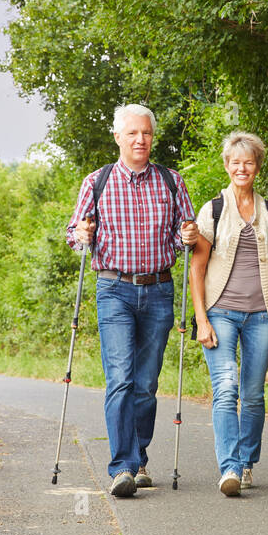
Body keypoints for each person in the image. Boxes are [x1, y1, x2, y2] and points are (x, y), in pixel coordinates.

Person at [66, 104, 198, 498]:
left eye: (146, 134)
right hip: (114, 289)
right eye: (133, 134)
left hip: (158, 289)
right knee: (120, 379)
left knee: (146, 384)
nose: (140, 140)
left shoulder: (171, 182)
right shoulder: (97, 181)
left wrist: (188, 237)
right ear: (118, 137)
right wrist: (83, 234)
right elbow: (75, 235)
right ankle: (122, 466)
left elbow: (184, 235)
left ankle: (139, 458)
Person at [189, 131, 268, 496]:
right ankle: (229, 469)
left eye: (248, 162)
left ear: (257, 167)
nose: (241, 168)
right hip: (220, 313)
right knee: (225, 388)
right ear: (227, 166)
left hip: (262, 315)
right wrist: (201, 320)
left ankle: (247, 463)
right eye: (235, 162)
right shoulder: (212, 210)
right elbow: (197, 269)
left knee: (251, 394)